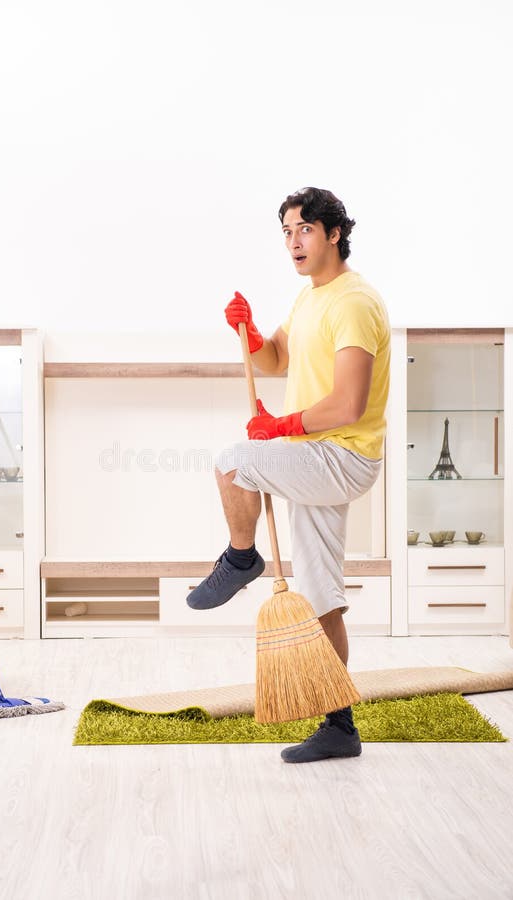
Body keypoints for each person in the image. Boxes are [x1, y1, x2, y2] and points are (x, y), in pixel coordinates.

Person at [186, 186, 391, 763]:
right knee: (322, 593)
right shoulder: (309, 300)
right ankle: (340, 726)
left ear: (334, 234)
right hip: (315, 456)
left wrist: (281, 427)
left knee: (232, 461)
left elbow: (349, 404)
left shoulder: (354, 302)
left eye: (304, 229)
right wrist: (248, 333)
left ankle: (241, 558)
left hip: (341, 455)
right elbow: (275, 359)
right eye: (286, 232)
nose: (294, 242)